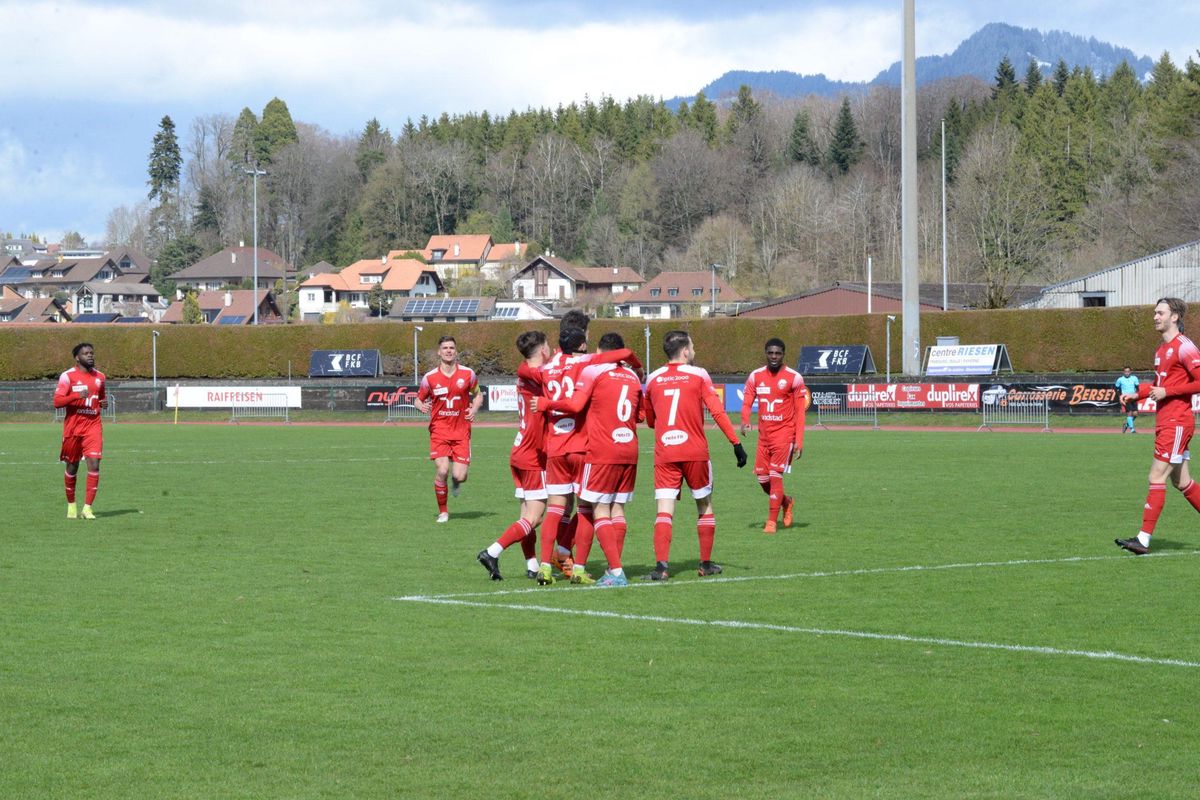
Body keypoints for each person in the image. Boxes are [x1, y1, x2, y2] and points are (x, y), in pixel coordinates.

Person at [539, 332, 642, 587]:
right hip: (630, 448)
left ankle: (615, 572)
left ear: (599, 349)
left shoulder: (592, 371)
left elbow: (575, 405)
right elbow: (641, 416)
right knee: (617, 509)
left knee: (594, 509)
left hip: (600, 449)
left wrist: (545, 403)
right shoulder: (632, 376)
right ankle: (601, 567)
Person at [642, 330, 747, 580]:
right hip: (695, 451)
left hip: (666, 452)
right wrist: (735, 443)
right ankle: (705, 564)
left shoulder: (654, 378)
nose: (695, 350)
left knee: (664, 510)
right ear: (685, 351)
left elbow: (649, 421)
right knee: (704, 504)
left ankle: (661, 567)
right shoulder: (699, 375)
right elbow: (717, 411)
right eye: (693, 345)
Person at [1116, 298, 1200, 555]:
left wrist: (1168, 391)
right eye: (1154, 312)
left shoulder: (1185, 347)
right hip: (1167, 421)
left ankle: (1143, 539)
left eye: (1160, 312)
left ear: (1174, 316)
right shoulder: (1161, 350)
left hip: (1176, 422)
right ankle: (1143, 539)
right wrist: (1137, 395)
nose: (1155, 316)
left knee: (1156, 477)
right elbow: (1157, 386)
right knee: (1182, 482)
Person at [477, 331, 551, 581]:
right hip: (533, 453)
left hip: (520, 449)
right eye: (548, 346)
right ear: (543, 350)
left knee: (525, 517)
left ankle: (531, 565)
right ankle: (492, 551)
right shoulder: (538, 376)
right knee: (535, 517)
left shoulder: (525, 371)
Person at [740, 338, 810, 534]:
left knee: (774, 476)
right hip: (764, 437)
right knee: (763, 481)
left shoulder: (794, 378)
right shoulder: (755, 376)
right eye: (770, 353)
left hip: (784, 435)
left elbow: (800, 411)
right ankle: (786, 502)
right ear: (766, 353)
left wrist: (799, 440)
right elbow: (747, 400)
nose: (774, 356)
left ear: (783, 355)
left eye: (777, 353)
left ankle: (771, 522)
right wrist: (745, 420)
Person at [415, 336, 483, 522]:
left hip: (462, 432)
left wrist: (474, 408)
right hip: (439, 430)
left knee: (460, 475)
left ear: (456, 351)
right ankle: (443, 512)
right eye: (445, 348)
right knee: (442, 470)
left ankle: (455, 482)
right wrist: (420, 405)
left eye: (451, 347)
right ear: (439, 352)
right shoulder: (429, 378)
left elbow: (478, 395)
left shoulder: (468, 374)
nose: (448, 351)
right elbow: (418, 399)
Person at [53, 342, 107, 519]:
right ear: (77, 357)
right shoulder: (67, 376)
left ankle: (87, 508)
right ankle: (71, 505)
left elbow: (101, 398)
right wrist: (77, 395)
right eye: (86, 353)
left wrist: (103, 404)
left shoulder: (100, 377)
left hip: (93, 425)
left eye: (92, 353)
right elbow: (57, 402)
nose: (90, 355)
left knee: (94, 463)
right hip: (73, 427)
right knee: (72, 466)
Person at [1114, 366, 1140, 433]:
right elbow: (1116, 388)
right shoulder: (1120, 379)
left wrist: (1137, 394)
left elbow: (1137, 388)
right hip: (1125, 398)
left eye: (1128, 371)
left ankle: (1126, 424)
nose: (1127, 373)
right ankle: (1132, 430)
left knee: (1135, 414)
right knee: (1130, 413)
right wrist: (1120, 396)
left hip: (1133, 398)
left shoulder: (1134, 378)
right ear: (1123, 372)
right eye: (1125, 371)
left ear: (1130, 372)